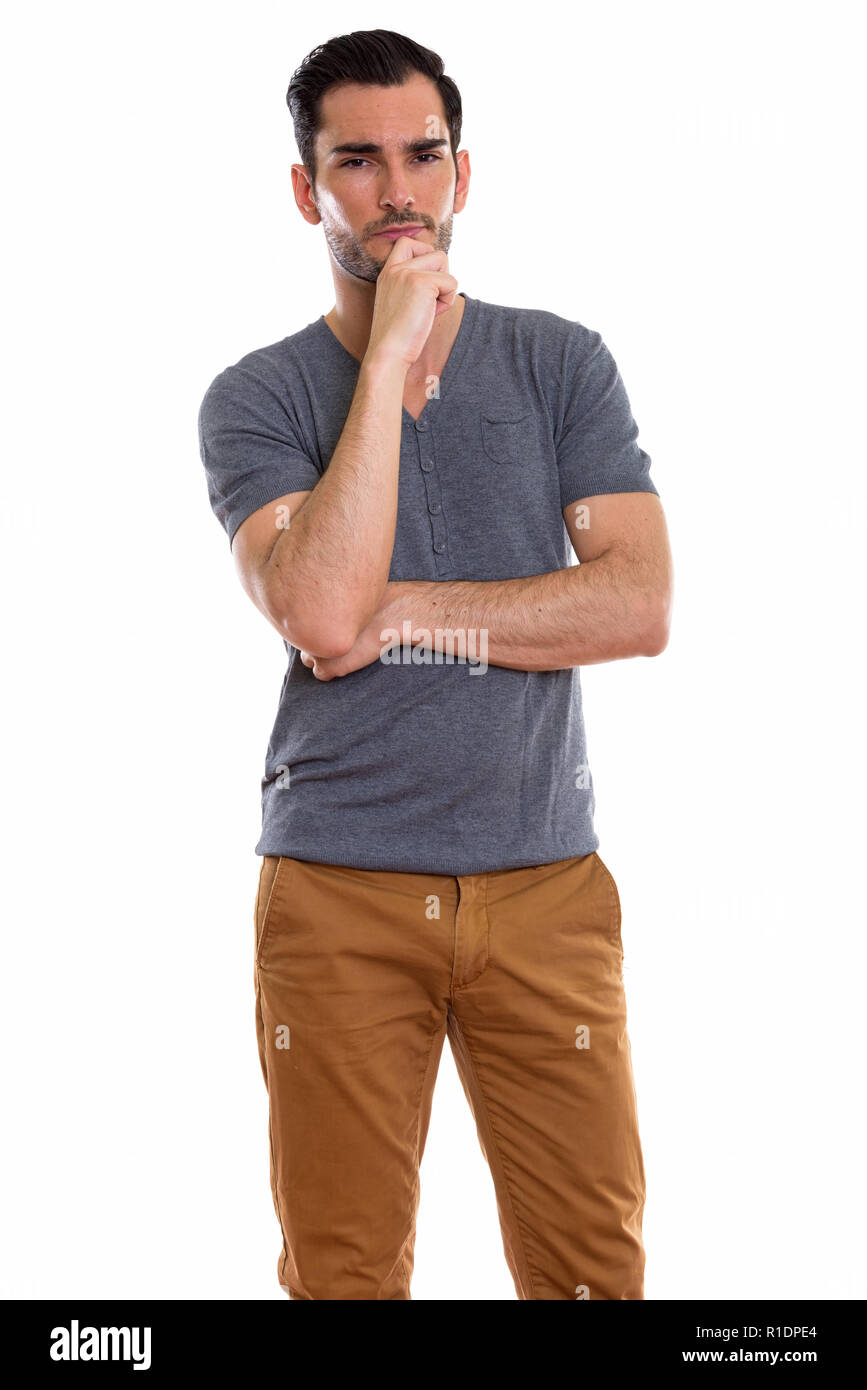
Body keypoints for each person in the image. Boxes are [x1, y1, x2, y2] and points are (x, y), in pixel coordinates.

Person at [197, 28, 673, 1300]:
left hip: (546, 891)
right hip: (338, 893)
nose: (398, 191)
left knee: (593, 1274)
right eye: (358, 161)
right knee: (344, 1277)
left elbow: (637, 604)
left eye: (425, 155)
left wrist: (397, 607)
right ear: (308, 191)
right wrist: (394, 355)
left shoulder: (559, 363)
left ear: (465, 171)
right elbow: (311, 606)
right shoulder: (260, 398)